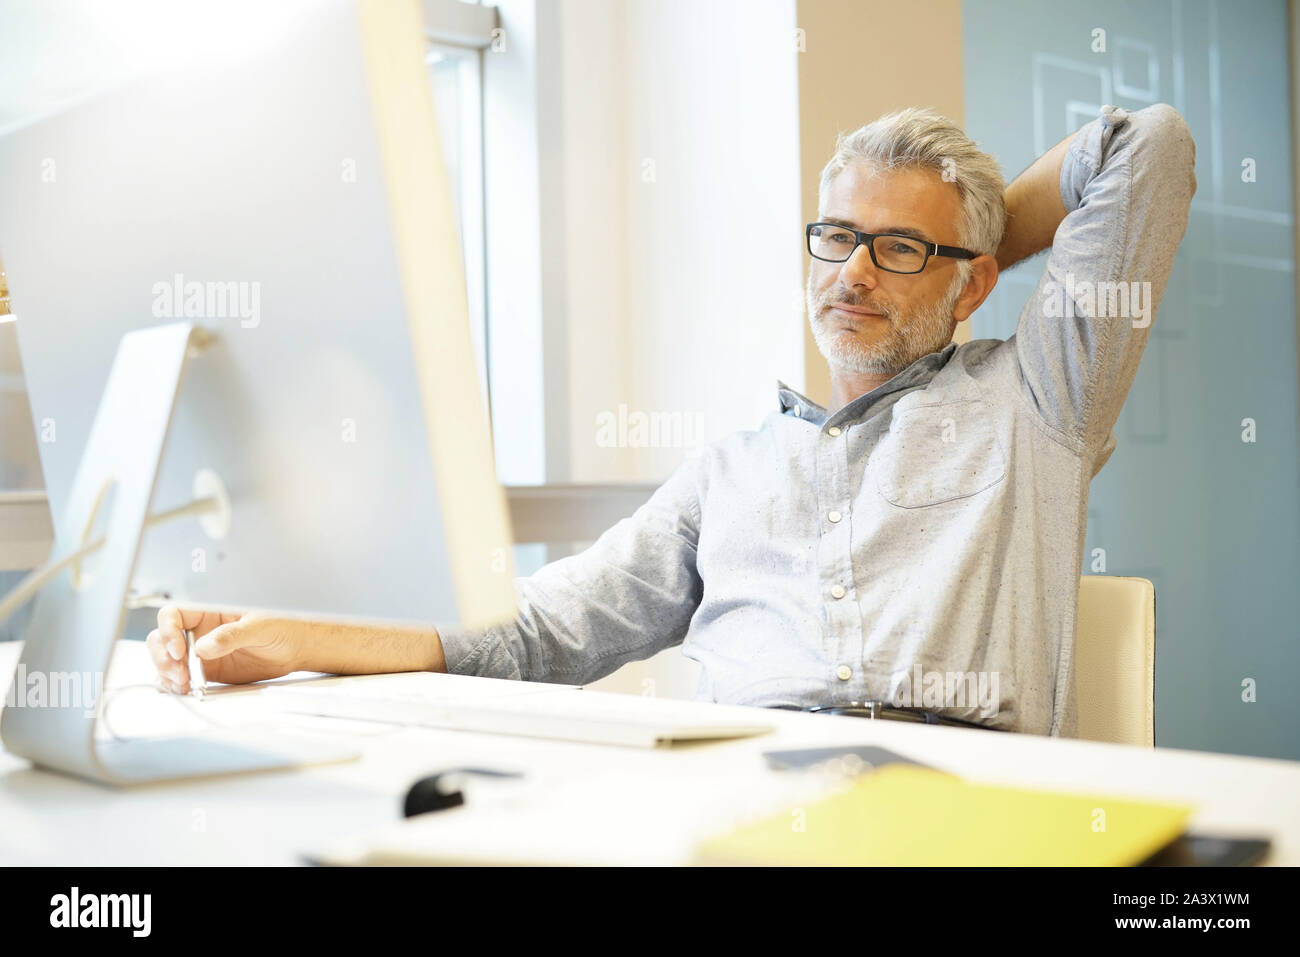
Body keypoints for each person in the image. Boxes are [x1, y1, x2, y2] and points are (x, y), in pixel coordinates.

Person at [148, 103, 1196, 734]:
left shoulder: (1036, 400)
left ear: (972, 288)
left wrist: (969, 256)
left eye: (898, 248)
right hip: (745, 806)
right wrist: (288, 636)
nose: (852, 273)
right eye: (836, 239)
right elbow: (535, 635)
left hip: (962, 807)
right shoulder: (732, 470)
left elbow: (1146, 148)